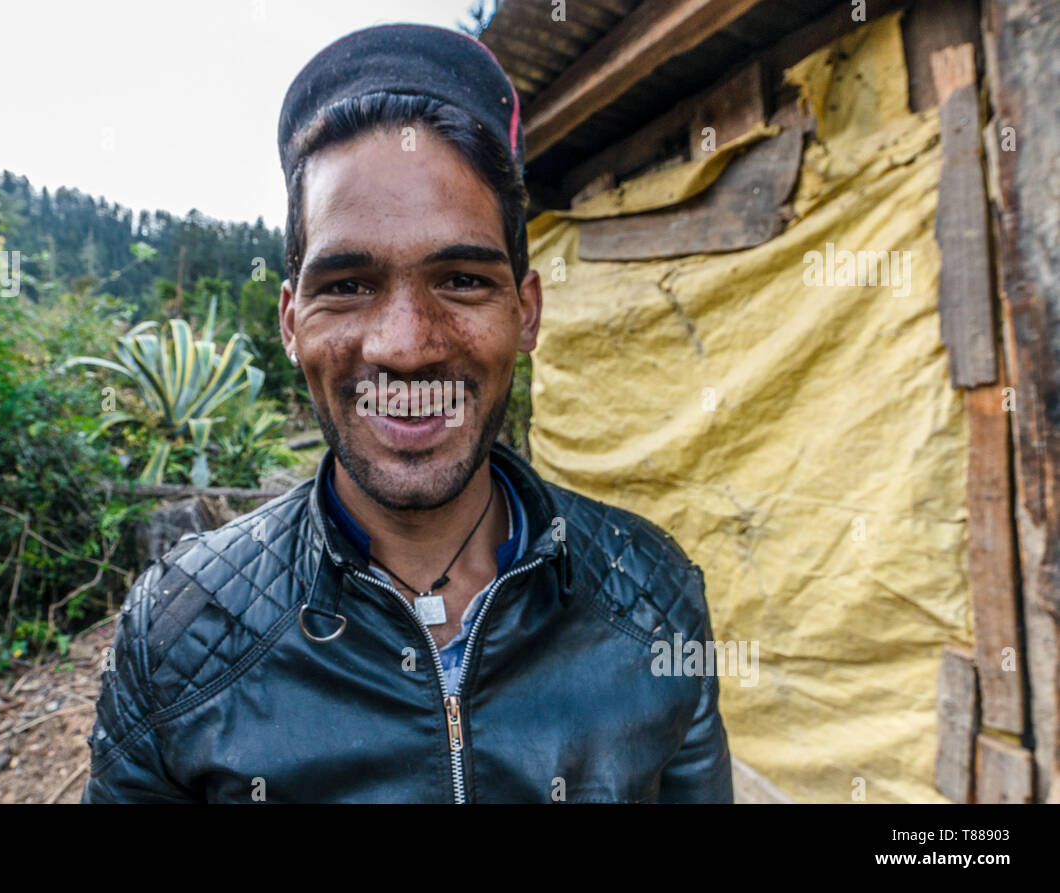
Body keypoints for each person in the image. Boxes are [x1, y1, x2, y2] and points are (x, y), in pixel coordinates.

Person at [83, 22, 732, 803]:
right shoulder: (176, 636)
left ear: (526, 314)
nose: (405, 345)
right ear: (291, 322)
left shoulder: (654, 599)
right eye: (348, 284)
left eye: (461, 279)